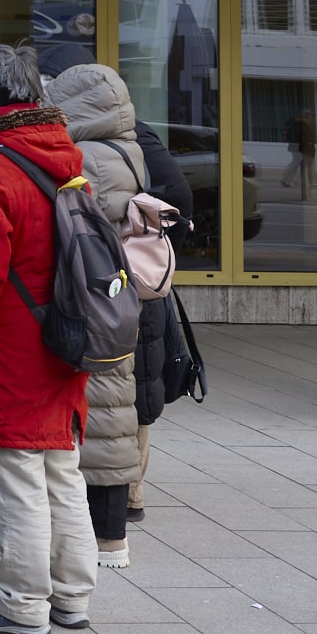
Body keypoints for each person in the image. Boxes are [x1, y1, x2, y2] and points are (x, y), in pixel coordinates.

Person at [0, 44, 95, 634]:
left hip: (12, 341)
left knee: (14, 478)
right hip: (66, 334)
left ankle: (21, 603)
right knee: (61, 469)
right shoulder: (64, 152)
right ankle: (72, 595)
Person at [45, 63, 193, 561]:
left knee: (104, 410)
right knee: (128, 407)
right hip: (140, 295)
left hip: (102, 297)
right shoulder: (135, 142)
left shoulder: (80, 154)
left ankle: (105, 530)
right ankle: (125, 505)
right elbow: (178, 199)